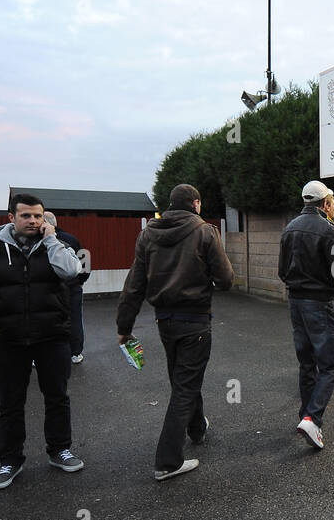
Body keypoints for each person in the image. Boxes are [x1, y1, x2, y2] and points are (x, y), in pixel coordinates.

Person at [116, 184, 233, 480]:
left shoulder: (147, 235)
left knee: (183, 379)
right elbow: (227, 279)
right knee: (185, 385)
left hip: (164, 321)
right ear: (195, 203)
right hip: (195, 319)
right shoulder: (205, 232)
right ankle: (167, 461)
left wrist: (124, 327)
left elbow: (134, 284)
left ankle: (197, 429)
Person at [0, 192, 85, 490]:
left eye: (38, 216)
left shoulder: (57, 247)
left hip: (52, 337)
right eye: (26, 216)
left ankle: (60, 450)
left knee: (57, 397)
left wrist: (51, 239)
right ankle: (10, 461)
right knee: (10, 404)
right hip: (8, 342)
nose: (33, 221)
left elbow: (72, 271)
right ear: (11, 218)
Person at [277, 180, 334, 450]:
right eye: (333, 202)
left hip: (296, 301)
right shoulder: (329, 230)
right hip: (320, 301)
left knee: (307, 363)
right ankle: (313, 418)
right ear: (325, 204)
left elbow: (282, 270)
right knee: (329, 366)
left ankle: (305, 414)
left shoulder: (289, 228)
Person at [43, 211, 90, 364]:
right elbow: (85, 259)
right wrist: (80, 281)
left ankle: (46, 353)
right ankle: (75, 352)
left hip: (47, 288)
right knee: (74, 318)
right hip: (72, 287)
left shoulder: (39, 241)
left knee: (45, 318)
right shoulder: (72, 239)